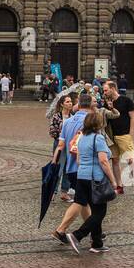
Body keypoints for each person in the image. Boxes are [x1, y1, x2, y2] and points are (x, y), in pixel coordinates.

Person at [66, 110, 119, 253]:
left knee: (95, 210)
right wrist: (113, 181)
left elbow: (78, 158)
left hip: (82, 176)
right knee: (100, 213)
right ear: (98, 124)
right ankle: (77, 235)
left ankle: (97, 243)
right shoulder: (98, 138)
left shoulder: (82, 137)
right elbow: (103, 161)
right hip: (95, 178)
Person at [51, 93, 92, 225]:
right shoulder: (90, 121)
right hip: (84, 168)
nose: (69, 104)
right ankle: (61, 230)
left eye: (71, 102)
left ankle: (91, 229)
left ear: (77, 105)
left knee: (82, 201)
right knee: (86, 202)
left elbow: (61, 146)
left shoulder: (68, 121)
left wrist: (53, 161)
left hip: (71, 169)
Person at [106, 79, 134, 197]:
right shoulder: (106, 103)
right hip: (112, 136)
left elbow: (133, 117)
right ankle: (119, 186)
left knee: (130, 160)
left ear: (113, 89)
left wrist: (130, 134)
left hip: (124, 135)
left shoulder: (126, 100)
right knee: (115, 160)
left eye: (106, 90)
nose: (104, 92)